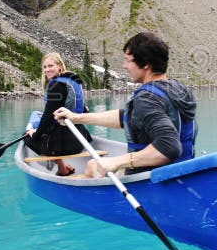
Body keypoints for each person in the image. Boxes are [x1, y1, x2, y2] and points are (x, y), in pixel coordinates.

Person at [54, 32, 197, 178]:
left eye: (128, 60)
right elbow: (127, 116)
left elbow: (169, 147)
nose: (124, 66)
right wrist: (76, 118)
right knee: (94, 165)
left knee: (92, 167)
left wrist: (117, 161)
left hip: (154, 177)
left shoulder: (147, 98)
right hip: (183, 170)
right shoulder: (178, 89)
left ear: (146, 64)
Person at [25, 52, 92, 176]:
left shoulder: (56, 85)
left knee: (27, 136)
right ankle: (62, 167)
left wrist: (34, 135)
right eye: (44, 67)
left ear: (60, 66)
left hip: (65, 145)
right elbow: (84, 111)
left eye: (50, 66)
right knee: (44, 129)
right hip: (81, 140)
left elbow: (47, 118)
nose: (47, 70)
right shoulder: (71, 81)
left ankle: (61, 167)